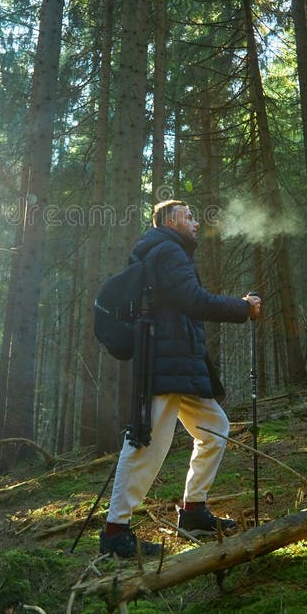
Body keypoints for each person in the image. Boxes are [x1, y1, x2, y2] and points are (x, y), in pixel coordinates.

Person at [100, 199, 261, 558]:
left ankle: (193, 512)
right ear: (170, 222)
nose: (195, 223)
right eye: (189, 217)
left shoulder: (163, 252)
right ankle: (115, 533)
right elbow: (194, 300)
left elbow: (183, 305)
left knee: (214, 428)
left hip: (180, 365)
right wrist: (242, 308)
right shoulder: (168, 252)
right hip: (165, 365)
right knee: (146, 444)